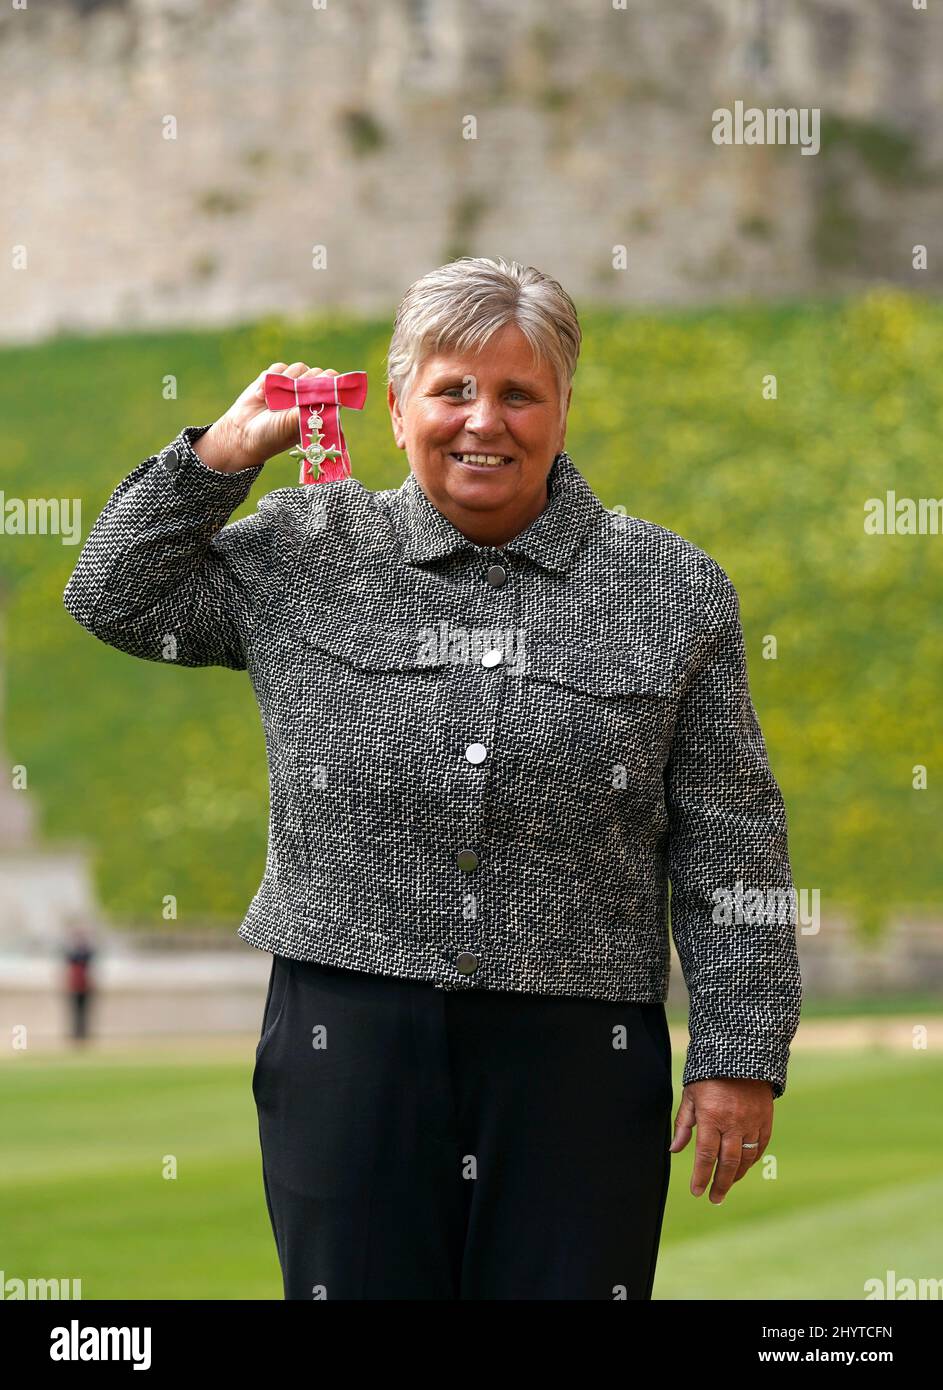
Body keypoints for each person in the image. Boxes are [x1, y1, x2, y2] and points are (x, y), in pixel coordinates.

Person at [62, 256, 802, 1300]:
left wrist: (739, 1049)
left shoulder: (672, 588)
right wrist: (221, 454)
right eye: (452, 389)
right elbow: (114, 596)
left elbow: (732, 835)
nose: (481, 421)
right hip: (347, 1042)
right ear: (400, 402)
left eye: (517, 393)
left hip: (577, 1052)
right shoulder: (305, 548)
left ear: (562, 407)